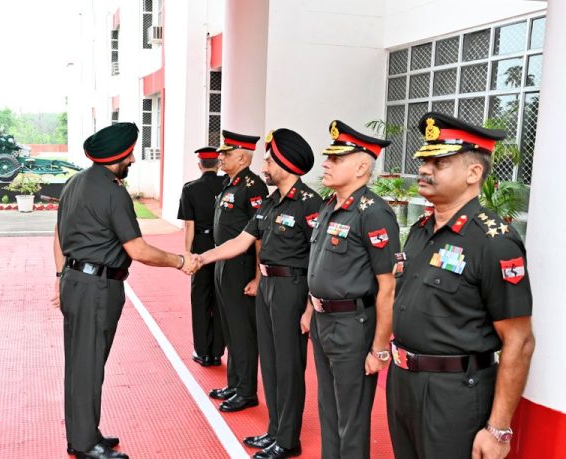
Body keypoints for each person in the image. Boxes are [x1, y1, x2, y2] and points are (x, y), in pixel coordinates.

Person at [386, 112, 535, 459]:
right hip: (403, 383)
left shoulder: (493, 242)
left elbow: (520, 341)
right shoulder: (421, 231)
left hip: (454, 394)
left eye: (440, 163)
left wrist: (498, 429)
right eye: (425, 161)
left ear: (473, 173)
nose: (425, 170)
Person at [52, 122, 199, 459]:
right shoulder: (113, 191)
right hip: (97, 286)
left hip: (75, 281)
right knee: (88, 365)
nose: (132, 159)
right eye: (129, 154)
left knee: (80, 363)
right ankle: (86, 443)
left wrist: (60, 276)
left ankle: (84, 434)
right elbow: (138, 250)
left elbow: (58, 236)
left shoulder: (75, 183)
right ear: (118, 156)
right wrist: (180, 261)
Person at [200, 129, 323, 458]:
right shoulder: (270, 202)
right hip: (268, 285)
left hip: (292, 288)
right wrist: (201, 258)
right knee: (269, 364)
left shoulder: (309, 203)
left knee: (288, 366)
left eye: (270, 160)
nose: (264, 164)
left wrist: (310, 308)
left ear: (286, 164)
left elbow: (318, 257)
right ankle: (274, 432)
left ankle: (288, 440)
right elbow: (241, 240)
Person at [301, 120, 399, 458]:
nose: (325, 163)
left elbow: (387, 287)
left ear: (361, 166)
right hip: (324, 322)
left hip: (353, 327)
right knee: (328, 409)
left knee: (351, 417)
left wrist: (379, 348)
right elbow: (322, 267)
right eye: (328, 157)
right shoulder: (330, 206)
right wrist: (311, 309)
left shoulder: (373, 214)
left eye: (336, 158)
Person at [208, 129, 269, 413]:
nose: (220, 157)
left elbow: (258, 236)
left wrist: (257, 276)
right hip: (225, 260)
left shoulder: (253, 186)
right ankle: (234, 384)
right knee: (230, 326)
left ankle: (246, 391)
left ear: (243, 157)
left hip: (242, 264)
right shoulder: (230, 183)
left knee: (242, 329)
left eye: (227, 153)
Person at [177, 147, 225, 367]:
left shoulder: (191, 189)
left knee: (201, 299)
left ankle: (202, 351)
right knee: (221, 299)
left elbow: (189, 225)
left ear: (199, 165)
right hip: (225, 246)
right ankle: (217, 352)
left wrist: (187, 255)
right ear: (218, 164)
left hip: (201, 246)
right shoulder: (227, 185)